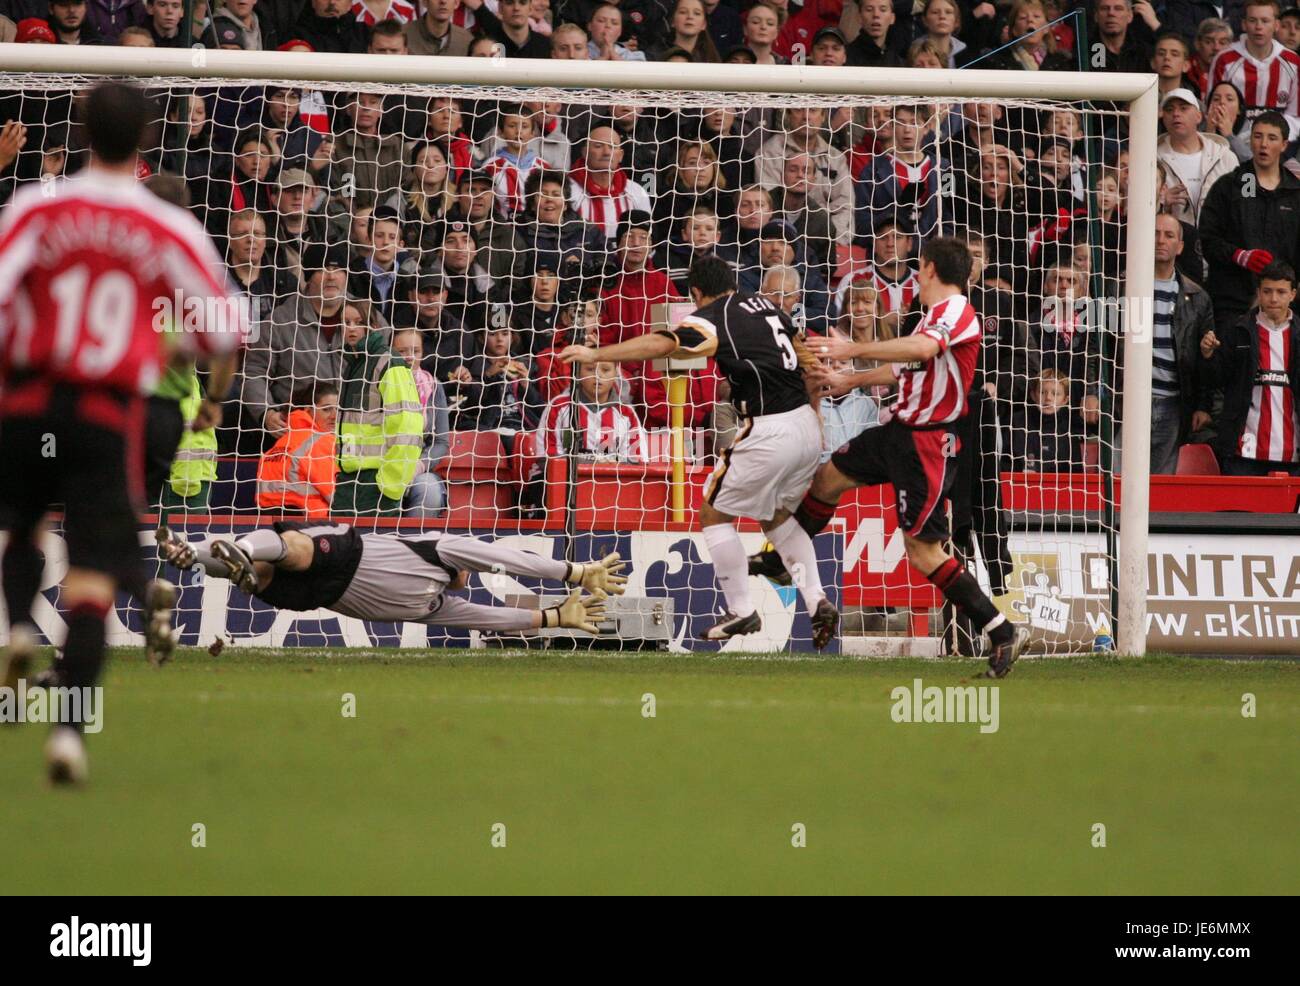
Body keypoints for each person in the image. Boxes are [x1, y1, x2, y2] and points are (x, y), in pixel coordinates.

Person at [0, 82, 245, 784]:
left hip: (29, 399)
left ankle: (17, 626)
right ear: (144, 133)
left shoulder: (40, 205)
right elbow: (225, 328)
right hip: (109, 410)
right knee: (92, 575)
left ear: (78, 128)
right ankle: (70, 737)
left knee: (21, 530)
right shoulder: (166, 224)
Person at [765, 237, 1028, 677]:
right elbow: (903, 366)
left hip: (926, 444)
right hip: (897, 433)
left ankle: (1001, 631)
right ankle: (782, 560)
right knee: (829, 479)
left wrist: (852, 350)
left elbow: (921, 350)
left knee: (922, 551)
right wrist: (852, 380)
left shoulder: (955, 311)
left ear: (927, 269)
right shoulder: (932, 316)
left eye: (918, 268)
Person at [561, 255, 838, 648]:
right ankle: (817, 600)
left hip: (769, 429)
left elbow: (666, 343)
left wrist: (597, 354)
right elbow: (806, 362)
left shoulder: (712, 315)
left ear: (695, 294)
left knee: (712, 512)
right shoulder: (768, 307)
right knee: (775, 516)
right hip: (806, 427)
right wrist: (816, 416)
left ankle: (741, 610)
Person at [155, 523, 617, 635]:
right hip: (345, 556)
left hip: (320, 596)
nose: (466, 581)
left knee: (258, 579)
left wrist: (555, 616)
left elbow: (487, 618)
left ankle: (218, 558)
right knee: (296, 549)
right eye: (468, 575)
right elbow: (503, 558)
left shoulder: (436, 607)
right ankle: (200, 552)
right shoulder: (441, 550)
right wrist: (572, 571)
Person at [1200, 261, 1300, 476]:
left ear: (1293, 294)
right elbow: (1215, 380)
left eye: (1281, 292)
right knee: (1240, 510)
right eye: (1267, 291)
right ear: (1258, 292)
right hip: (1243, 454)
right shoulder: (1237, 330)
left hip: (1292, 454)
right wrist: (1208, 356)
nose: (1273, 298)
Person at [334, 301, 425, 515]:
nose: (351, 328)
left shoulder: (389, 363)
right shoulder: (353, 364)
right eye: (345, 322)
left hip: (376, 484)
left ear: (373, 325)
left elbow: (409, 427)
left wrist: (390, 485)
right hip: (348, 479)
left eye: (358, 322)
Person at [256, 382, 340, 518]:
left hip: (271, 523)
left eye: (338, 409)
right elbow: (336, 496)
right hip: (313, 524)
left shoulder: (278, 445)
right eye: (326, 409)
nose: (335, 416)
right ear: (308, 410)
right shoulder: (320, 441)